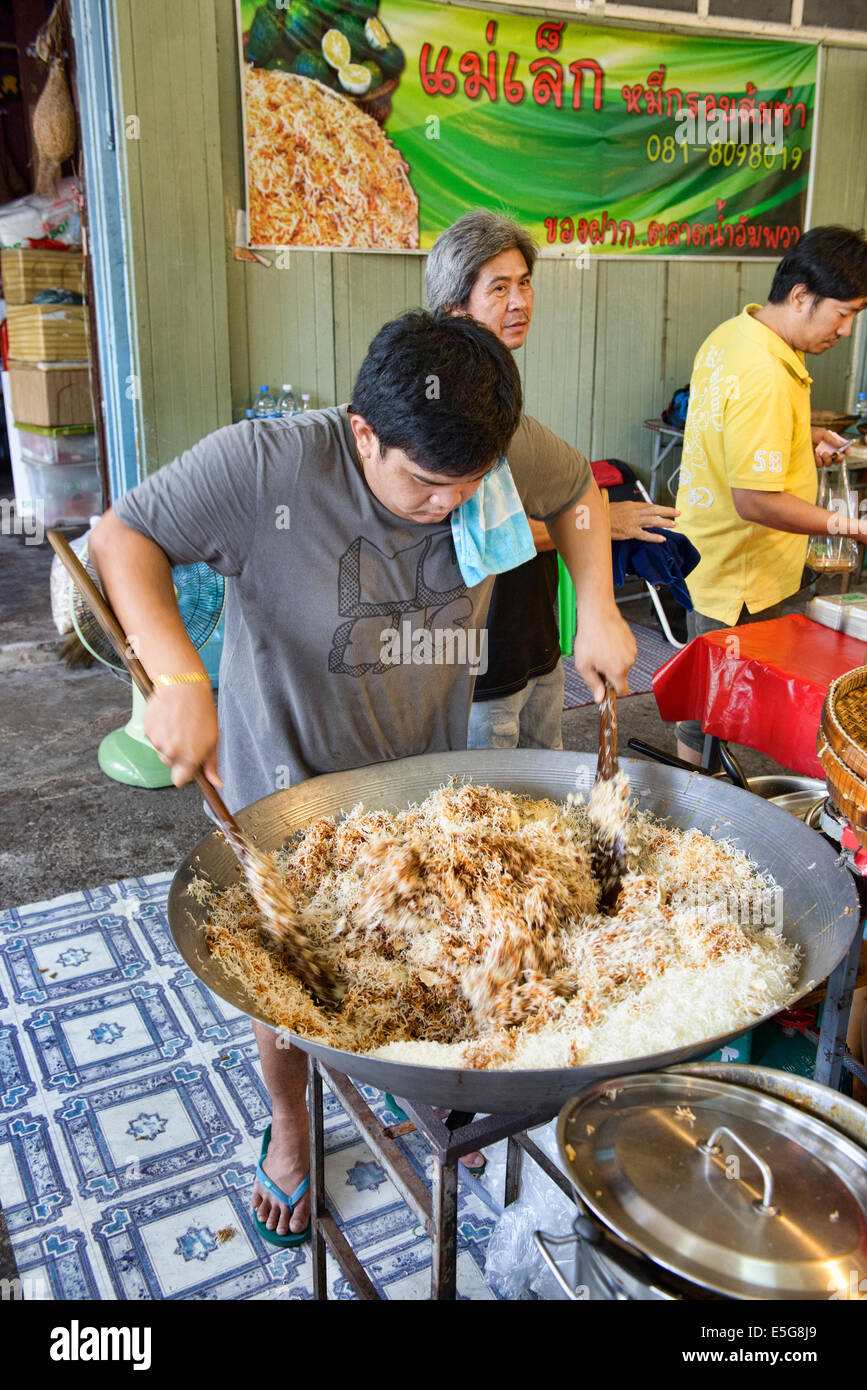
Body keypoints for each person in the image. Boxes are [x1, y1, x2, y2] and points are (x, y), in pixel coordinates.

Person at [88, 311, 635, 1246]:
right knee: (285, 969)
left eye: (468, 487)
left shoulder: (489, 451)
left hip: (419, 771)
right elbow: (120, 535)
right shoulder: (268, 469)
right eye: (425, 484)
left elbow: (577, 492)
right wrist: (177, 676)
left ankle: (392, 1067)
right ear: (363, 433)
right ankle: (293, 1126)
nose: (448, 505)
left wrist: (598, 606)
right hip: (283, 772)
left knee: (408, 935)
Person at [425, 209, 679, 750]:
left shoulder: (500, 385)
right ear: (454, 308)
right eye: (499, 288)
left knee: (548, 798)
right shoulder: (441, 404)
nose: (520, 302)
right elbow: (470, 530)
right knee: (487, 816)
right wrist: (604, 522)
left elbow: (567, 489)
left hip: (533, 638)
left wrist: (595, 603)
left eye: (524, 284)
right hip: (479, 657)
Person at [674, 225, 867, 764]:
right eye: (844, 313)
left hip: (711, 560)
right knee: (713, 719)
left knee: (710, 707)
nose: (846, 330)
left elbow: (732, 432)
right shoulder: (765, 370)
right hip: (742, 581)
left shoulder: (737, 335)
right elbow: (754, 500)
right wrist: (846, 524)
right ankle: (698, 823)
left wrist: (800, 439)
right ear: (801, 296)